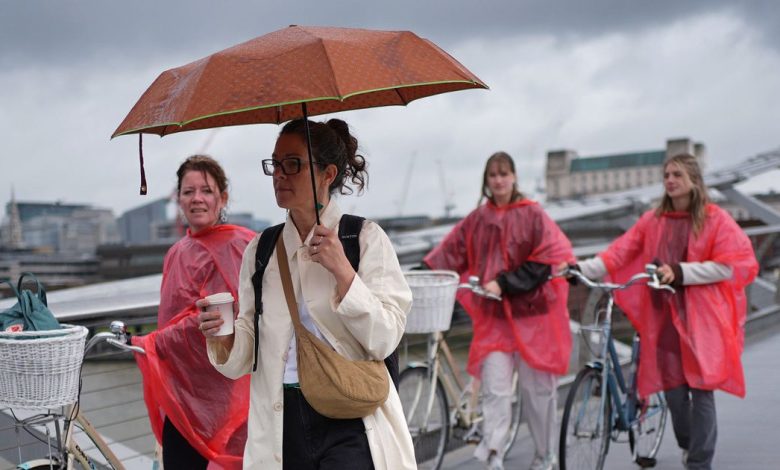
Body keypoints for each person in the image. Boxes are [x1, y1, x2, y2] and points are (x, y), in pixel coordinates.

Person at [198, 118, 416, 469]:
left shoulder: (363, 239)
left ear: (328, 174)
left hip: (350, 413)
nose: (280, 175)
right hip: (281, 422)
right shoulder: (262, 249)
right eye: (275, 164)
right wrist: (222, 336)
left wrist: (342, 270)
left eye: (293, 164)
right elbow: (247, 351)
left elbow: (386, 337)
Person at [568, 153, 758, 470]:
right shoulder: (653, 220)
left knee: (701, 390)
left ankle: (699, 462)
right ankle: (688, 445)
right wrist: (580, 268)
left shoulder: (715, 219)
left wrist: (680, 271)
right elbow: (620, 251)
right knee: (673, 391)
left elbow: (729, 265)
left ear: (694, 181)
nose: (670, 180)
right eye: (667, 174)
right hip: (665, 317)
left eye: (677, 175)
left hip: (702, 318)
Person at [424, 151, 574, 470]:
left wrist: (503, 283)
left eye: (504, 173)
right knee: (495, 390)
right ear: (486, 180)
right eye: (493, 175)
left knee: (538, 394)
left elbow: (548, 259)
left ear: (515, 176)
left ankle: (544, 454)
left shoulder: (533, 214)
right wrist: (421, 271)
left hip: (534, 318)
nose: (499, 180)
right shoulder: (478, 219)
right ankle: (493, 455)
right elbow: (451, 251)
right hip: (495, 322)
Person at [132, 155, 255, 469]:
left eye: (207, 191)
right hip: (181, 394)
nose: (197, 198)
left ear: (222, 198)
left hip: (230, 392)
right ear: (178, 199)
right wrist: (159, 340)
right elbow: (173, 318)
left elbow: (252, 311)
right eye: (188, 192)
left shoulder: (242, 244)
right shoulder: (176, 253)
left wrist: (152, 342)